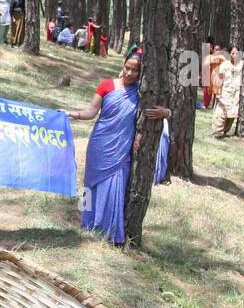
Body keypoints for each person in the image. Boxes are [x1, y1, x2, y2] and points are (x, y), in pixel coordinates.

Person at [67, 55, 170, 245]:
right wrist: (72, 114)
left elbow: (159, 111)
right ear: (123, 66)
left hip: (121, 148)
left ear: (141, 73)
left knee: (116, 184)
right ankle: (85, 220)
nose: (130, 73)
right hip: (99, 142)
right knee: (89, 182)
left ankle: (109, 230)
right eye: (127, 68)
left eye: (135, 70)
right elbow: (91, 112)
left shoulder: (141, 93)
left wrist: (167, 113)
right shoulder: (106, 86)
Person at [212, 46, 243, 138]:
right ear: (229, 54)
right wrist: (218, 92)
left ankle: (225, 131)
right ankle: (217, 132)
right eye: (232, 53)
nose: (234, 55)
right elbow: (219, 78)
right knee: (221, 112)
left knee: (232, 113)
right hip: (225, 91)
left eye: (236, 53)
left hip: (236, 93)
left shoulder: (242, 65)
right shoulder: (224, 65)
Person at [203, 40, 225, 109]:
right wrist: (213, 60)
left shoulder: (223, 58)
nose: (217, 51)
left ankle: (215, 107)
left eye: (219, 50)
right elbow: (205, 64)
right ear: (213, 50)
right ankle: (207, 106)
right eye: (216, 50)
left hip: (219, 79)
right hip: (210, 79)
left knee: (217, 94)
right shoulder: (209, 57)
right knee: (209, 94)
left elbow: (225, 63)